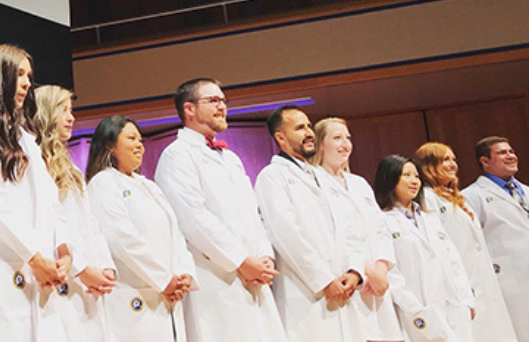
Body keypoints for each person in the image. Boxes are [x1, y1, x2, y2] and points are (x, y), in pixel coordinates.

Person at [0, 44, 72, 342]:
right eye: (19, 74)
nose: (27, 83)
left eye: (29, 75)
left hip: (41, 272)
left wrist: (65, 251)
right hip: (2, 271)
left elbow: (50, 201)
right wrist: (34, 257)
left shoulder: (26, 139)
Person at [153, 78, 286, 342]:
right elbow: (193, 218)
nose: (222, 106)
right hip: (217, 277)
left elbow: (252, 212)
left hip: (254, 275)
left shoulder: (231, 158)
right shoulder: (176, 155)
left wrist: (263, 255)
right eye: (213, 101)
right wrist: (241, 261)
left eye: (223, 101)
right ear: (189, 109)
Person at [255, 106, 364, 342]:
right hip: (306, 293)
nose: (309, 132)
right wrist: (324, 280)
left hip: (343, 286)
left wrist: (355, 271)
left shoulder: (322, 177)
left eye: (308, 126)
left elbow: (350, 228)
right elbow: (286, 234)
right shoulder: (272, 176)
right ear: (280, 137)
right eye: (299, 128)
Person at [86, 115, 195, 342]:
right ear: (110, 145)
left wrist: (184, 274)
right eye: (131, 138)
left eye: (141, 140)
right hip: (134, 296)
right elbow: (121, 238)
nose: (139, 145)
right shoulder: (103, 182)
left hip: (167, 295)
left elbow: (175, 234)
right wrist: (163, 279)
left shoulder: (149, 186)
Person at [30, 85, 116, 342]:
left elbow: (90, 224)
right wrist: (80, 268)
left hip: (88, 279)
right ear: (45, 114)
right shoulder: (35, 163)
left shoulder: (74, 170)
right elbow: (52, 225)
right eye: (63, 110)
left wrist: (104, 266)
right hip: (63, 276)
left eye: (71, 111)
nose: (71, 118)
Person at [310, 118, 403, 342]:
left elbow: (380, 228)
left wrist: (381, 268)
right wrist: (366, 271)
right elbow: (340, 235)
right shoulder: (313, 182)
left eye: (348, 138)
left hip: (377, 281)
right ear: (320, 144)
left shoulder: (359, 183)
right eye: (337, 137)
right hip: (350, 277)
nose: (345, 144)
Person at [414, 142, 516, 342]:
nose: (452, 165)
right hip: (462, 283)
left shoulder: (456, 198)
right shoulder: (428, 198)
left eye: (453, 159)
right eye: (445, 160)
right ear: (429, 166)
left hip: (482, 279)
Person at [374, 155, 474, 342]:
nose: (414, 181)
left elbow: (454, 261)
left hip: (454, 308)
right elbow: (391, 273)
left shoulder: (431, 218)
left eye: (417, 176)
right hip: (415, 314)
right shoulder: (383, 221)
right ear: (390, 178)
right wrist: (415, 309)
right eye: (407, 175)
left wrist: (466, 300)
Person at [461, 137, 529, 341]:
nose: (510, 156)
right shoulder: (472, 197)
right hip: (507, 283)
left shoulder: (526, 191)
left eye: (511, 151)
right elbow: (470, 244)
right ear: (485, 161)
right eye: (502, 153)